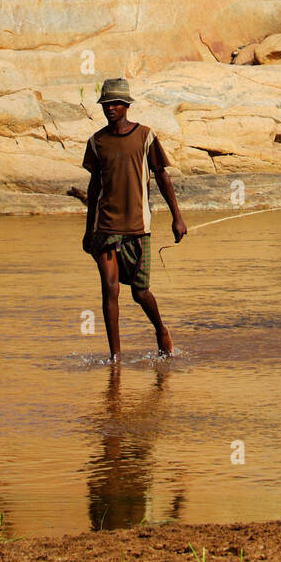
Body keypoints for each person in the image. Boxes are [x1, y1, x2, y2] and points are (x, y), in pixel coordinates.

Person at [82, 77, 187, 363]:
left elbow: (162, 176)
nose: (111, 108)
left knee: (140, 292)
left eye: (116, 103)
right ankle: (115, 358)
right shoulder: (96, 142)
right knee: (110, 289)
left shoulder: (145, 136)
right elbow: (94, 188)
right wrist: (88, 230)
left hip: (139, 227)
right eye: (106, 104)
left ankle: (160, 329)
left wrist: (177, 217)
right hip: (105, 227)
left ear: (127, 105)